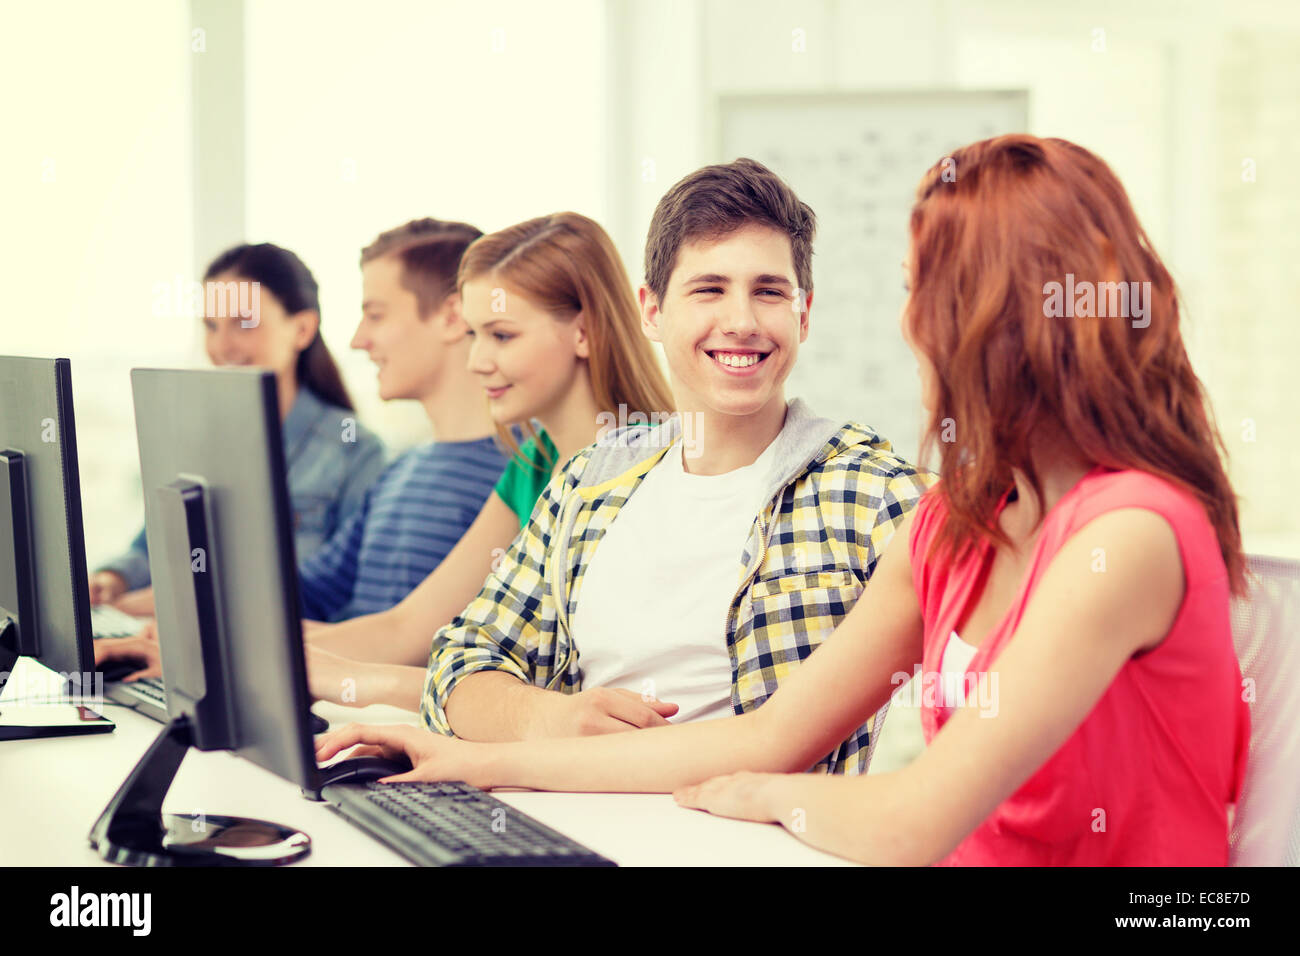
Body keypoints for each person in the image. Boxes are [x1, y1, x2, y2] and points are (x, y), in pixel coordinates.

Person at [317, 136, 1252, 866]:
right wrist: (476, 761)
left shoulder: (1125, 535)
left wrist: (760, 792)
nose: (907, 323)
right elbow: (768, 734)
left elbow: (907, 821)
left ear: (994, 320)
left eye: (923, 291)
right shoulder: (950, 524)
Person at [324, 158, 932, 766]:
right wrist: (549, 716)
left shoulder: (870, 491)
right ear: (651, 311)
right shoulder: (589, 482)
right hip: (560, 837)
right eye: (709, 289)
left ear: (803, 313)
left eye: (769, 291)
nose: (742, 321)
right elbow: (458, 662)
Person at [98, 219, 509, 678]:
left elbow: (401, 637)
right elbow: (310, 594)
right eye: (212, 325)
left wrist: (211, 645)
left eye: (375, 314)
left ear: (453, 317)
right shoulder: (403, 469)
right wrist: (183, 623)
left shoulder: (509, 478)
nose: (357, 339)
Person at [304, 212, 675, 710]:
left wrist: (353, 679)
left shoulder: (648, 466)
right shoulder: (534, 464)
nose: (477, 360)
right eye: (475, 335)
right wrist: (267, 657)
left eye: (501, 336)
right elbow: (411, 626)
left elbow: (560, 692)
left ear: (583, 332)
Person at [88, 243, 386, 616]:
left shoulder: (354, 450)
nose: (222, 345)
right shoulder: (198, 440)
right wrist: (114, 578)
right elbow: (153, 547)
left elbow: (344, 600)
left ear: (303, 329)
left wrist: (183, 600)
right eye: (212, 326)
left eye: (243, 323)